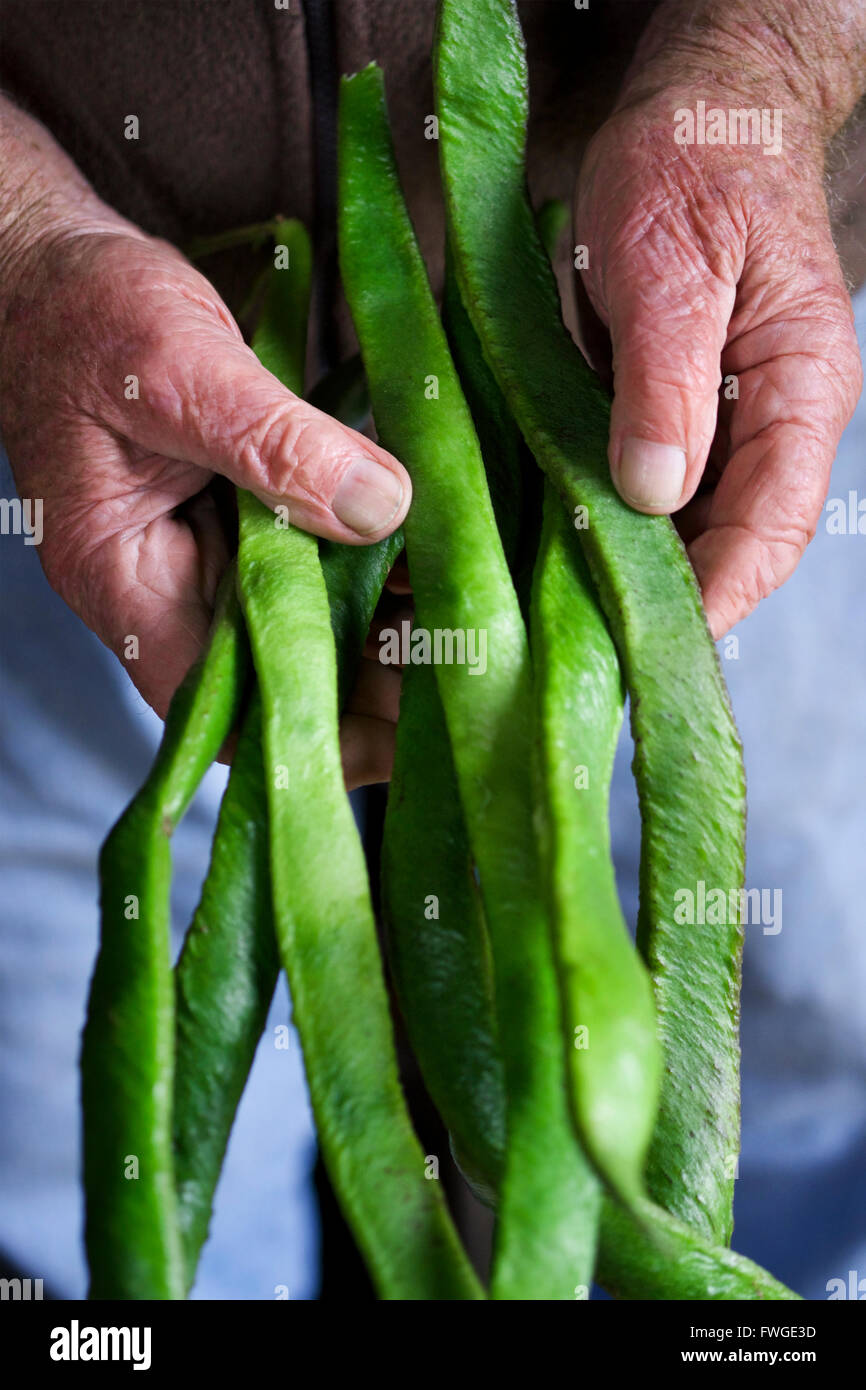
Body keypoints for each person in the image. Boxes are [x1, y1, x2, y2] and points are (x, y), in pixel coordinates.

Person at [0, 0, 864, 1298]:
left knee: (813, 1001)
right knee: (60, 1110)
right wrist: (19, 241)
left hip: (698, 348)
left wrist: (765, 64)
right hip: (75, 413)